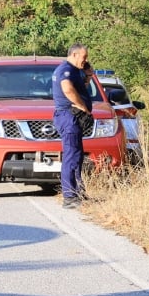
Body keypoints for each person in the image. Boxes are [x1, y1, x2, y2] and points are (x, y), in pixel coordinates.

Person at [51, 43, 95, 209]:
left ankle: (78, 193)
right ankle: (69, 196)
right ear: (74, 55)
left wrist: (88, 76)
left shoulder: (75, 70)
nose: (85, 60)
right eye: (84, 57)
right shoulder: (66, 70)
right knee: (71, 156)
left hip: (72, 117)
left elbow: (79, 88)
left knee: (77, 155)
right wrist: (83, 108)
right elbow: (68, 89)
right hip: (68, 117)